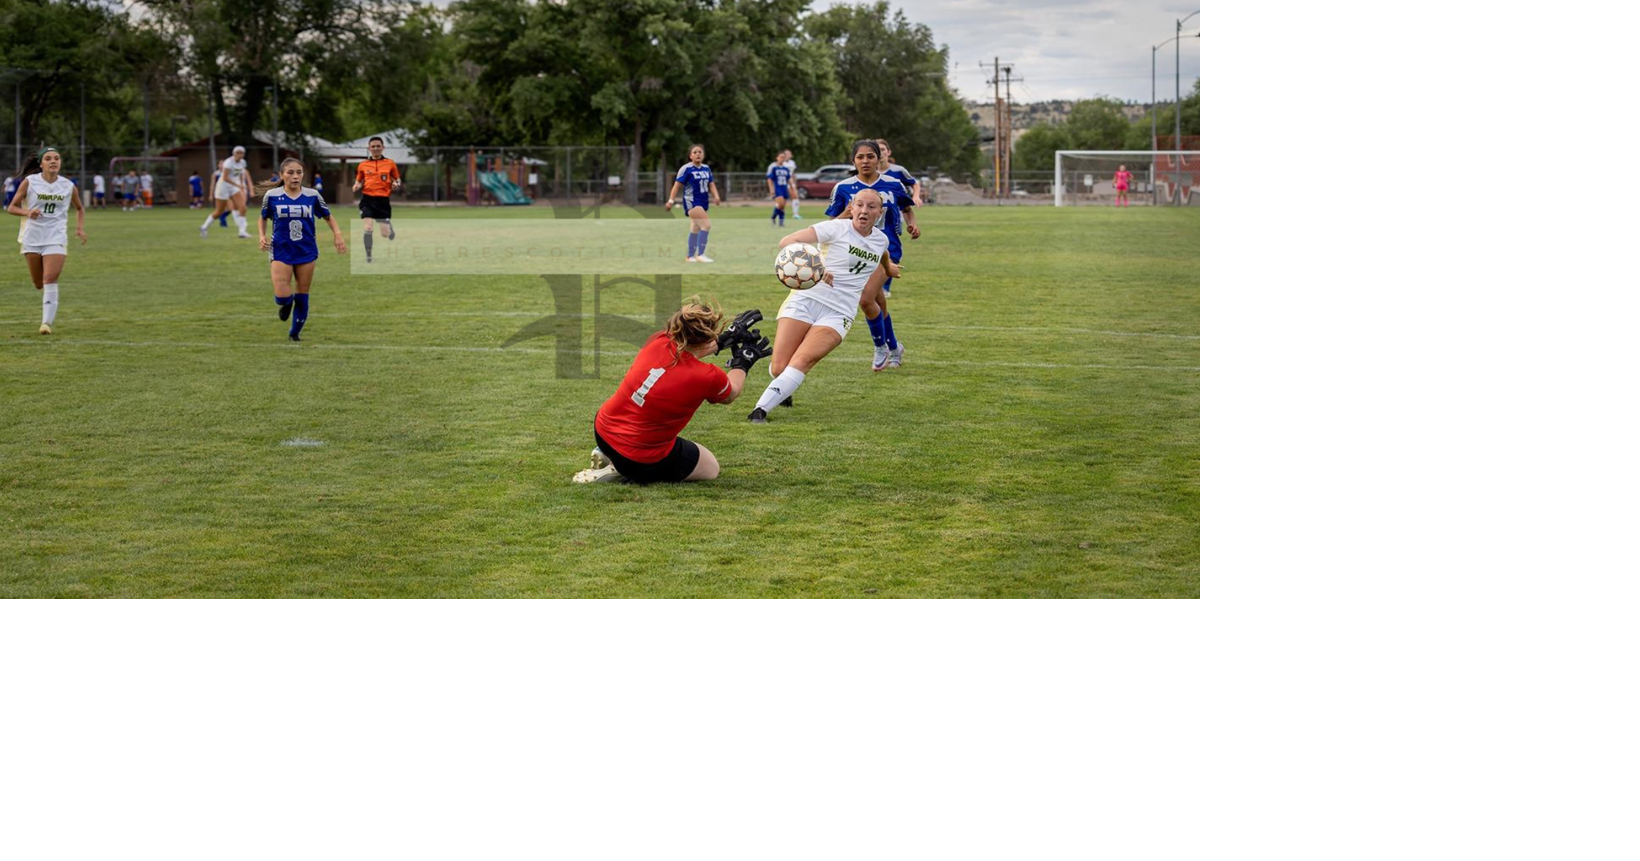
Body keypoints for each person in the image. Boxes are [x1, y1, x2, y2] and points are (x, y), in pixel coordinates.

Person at [576, 301, 771, 484]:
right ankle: (619, 468)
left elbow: (689, 349)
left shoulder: (659, 340)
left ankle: (607, 453)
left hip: (603, 431)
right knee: (710, 467)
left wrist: (728, 337)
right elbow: (731, 393)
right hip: (637, 459)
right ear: (709, 336)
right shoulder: (707, 375)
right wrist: (743, 361)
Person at [746, 190, 890, 424]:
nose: (864, 211)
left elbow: (882, 253)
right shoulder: (835, 228)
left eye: (871, 207)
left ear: (880, 212)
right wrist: (818, 267)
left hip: (840, 312)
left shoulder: (881, 239)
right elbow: (786, 242)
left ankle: (759, 410)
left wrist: (889, 267)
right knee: (779, 368)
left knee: (804, 360)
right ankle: (782, 388)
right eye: (860, 205)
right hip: (805, 299)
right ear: (852, 207)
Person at [826, 139, 918, 371]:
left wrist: (912, 224)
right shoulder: (843, 188)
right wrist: (846, 214)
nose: (865, 161)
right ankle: (894, 347)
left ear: (879, 158)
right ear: (853, 161)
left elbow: (907, 209)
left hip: (887, 250)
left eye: (870, 156)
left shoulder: (894, 184)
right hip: (856, 252)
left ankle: (880, 346)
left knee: (866, 299)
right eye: (860, 157)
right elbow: (831, 225)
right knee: (877, 300)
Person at [258, 158, 346, 342]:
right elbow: (263, 217)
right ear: (282, 175)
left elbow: (328, 216)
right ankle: (286, 304)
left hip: (306, 250)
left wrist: (337, 235)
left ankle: (294, 333)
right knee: (282, 296)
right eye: (290, 172)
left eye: (299, 172)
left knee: (303, 293)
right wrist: (262, 236)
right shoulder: (272, 196)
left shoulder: (312, 195)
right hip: (281, 250)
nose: (295, 176)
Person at [7, 147, 88, 335]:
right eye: (48, 158)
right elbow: (12, 207)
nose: (53, 161)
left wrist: (79, 228)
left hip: (56, 237)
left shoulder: (68, 185)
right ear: (41, 163)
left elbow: (79, 208)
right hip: (32, 237)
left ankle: (46, 324)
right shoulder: (30, 182)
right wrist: (28, 212)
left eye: (56, 158)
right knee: (38, 283)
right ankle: (46, 308)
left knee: (50, 278)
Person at [663, 144, 721, 263]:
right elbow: (676, 186)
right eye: (695, 152)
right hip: (692, 201)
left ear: (703, 155)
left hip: (703, 201)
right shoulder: (686, 169)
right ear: (690, 156)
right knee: (706, 225)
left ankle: (690, 256)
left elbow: (711, 184)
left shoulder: (706, 168)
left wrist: (716, 196)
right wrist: (670, 201)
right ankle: (701, 254)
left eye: (700, 152)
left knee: (695, 228)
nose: (697, 154)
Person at [351, 136, 402, 264]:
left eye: (378, 146)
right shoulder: (363, 165)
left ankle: (389, 227)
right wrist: (356, 185)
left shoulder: (390, 163)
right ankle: (369, 256)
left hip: (383, 201)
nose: (375, 148)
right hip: (367, 199)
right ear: (369, 148)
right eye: (373, 146)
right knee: (368, 228)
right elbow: (359, 180)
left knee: (385, 234)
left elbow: (397, 179)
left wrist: (396, 184)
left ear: (383, 147)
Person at [200, 146, 251, 237]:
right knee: (219, 211)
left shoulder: (243, 162)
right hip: (223, 187)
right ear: (234, 153)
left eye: (241, 153)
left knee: (243, 208)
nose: (239, 155)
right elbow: (225, 178)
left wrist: (241, 185)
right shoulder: (228, 162)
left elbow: (240, 174)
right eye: (237, 153)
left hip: (234, 187)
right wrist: (238, 185)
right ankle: (204, 227)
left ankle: (242, 232)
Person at [877, 139, 922, 207]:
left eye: (882, 149)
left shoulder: (898, 170)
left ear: (889, 152)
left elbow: (914, 184)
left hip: (897, 211)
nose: (880, 153)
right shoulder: (869, 172)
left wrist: (916, 197)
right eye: (877, 150)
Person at [767, 149, 793, 228]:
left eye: (783, 157)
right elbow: (769, 179)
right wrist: (771, 190)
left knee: (782, 206)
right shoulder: (774, 168)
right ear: (777, 158)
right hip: (777, 188)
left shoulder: (786, 169)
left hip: (784, 188)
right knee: (780, 204)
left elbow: (788, 179)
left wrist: (792, 187)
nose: (782, 159)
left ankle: (780, 222)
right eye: (781, 157)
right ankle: (773, 217)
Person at [784, 150, 802, 219]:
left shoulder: (792, 162)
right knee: (783, 198)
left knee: (795, 196)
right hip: (784, 182)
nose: (789, 155)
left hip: (791, 182)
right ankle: (781, 213)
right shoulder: (782, 163)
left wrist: (794, 182)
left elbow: (793, 173)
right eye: (787, 154)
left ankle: (795, 214)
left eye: (789, 153)